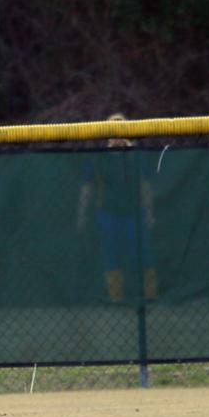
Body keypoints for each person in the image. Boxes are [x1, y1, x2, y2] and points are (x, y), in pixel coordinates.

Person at [75, 113, 158, 303]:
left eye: (121, 132)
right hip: (108, 215)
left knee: (143, 254)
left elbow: (145, 187)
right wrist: (81, 215)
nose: (117, 137)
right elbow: (87, 189)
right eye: (113, 132)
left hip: (135, 214)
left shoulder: (136, 157)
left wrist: (150, 213)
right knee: (111, 255)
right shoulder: (98, 159)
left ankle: (150, 296)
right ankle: (116, 299)